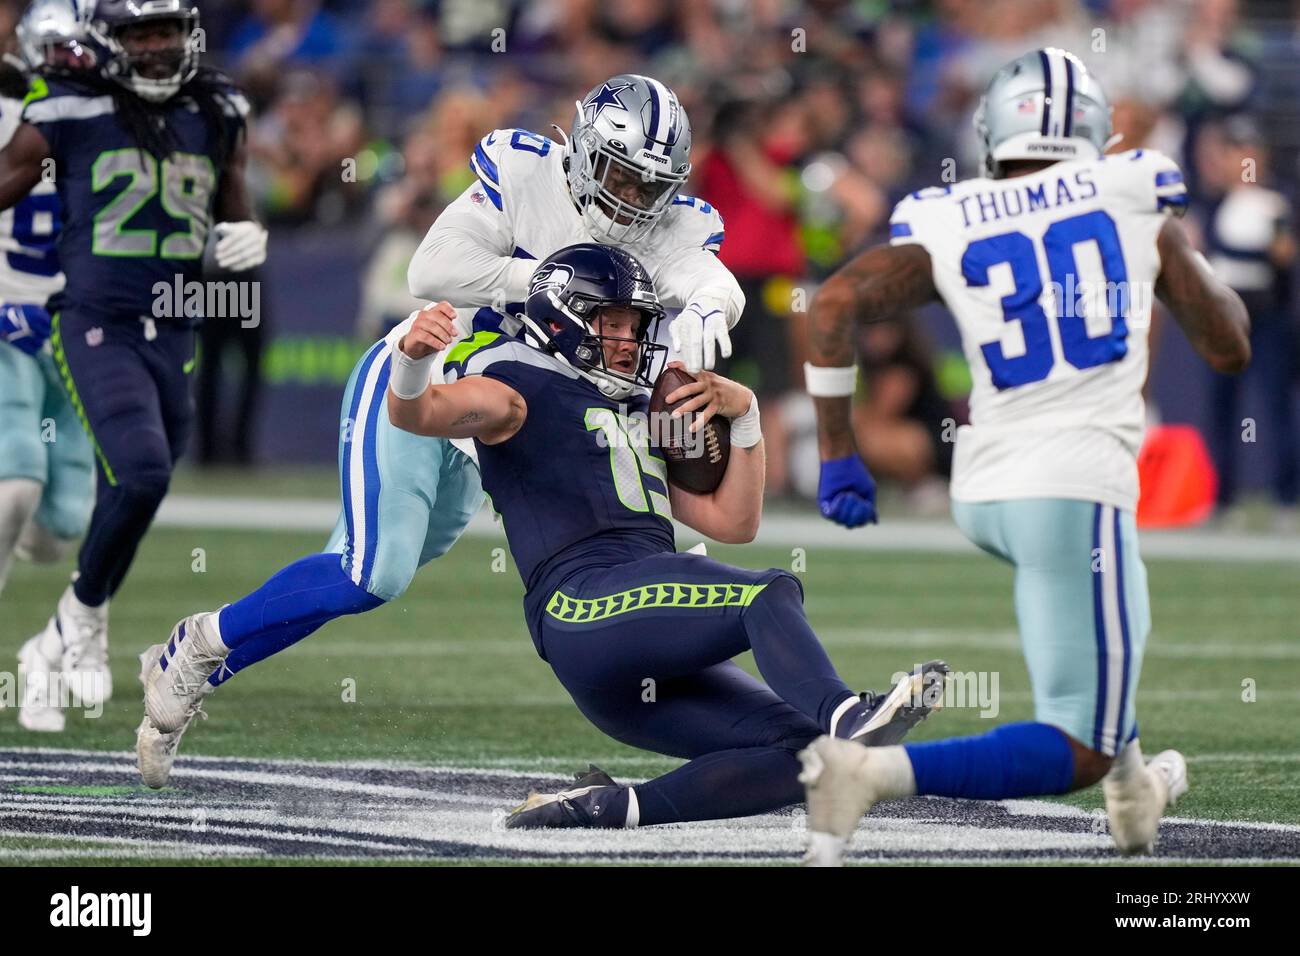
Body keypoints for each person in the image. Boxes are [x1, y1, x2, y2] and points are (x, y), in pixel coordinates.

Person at [134, 74, 746, 789]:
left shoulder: (672, 228)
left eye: (650, 186)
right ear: (582, 152)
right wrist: (551, 282)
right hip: (431, 372)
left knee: (355, 576)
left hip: (497, 424)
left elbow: (714, 282)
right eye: (619, 175)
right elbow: (433, 268)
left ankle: (200, 656)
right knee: (374, 571)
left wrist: (708, 311)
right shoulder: (525, 174)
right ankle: (203, 643)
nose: (631, 200)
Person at [800, 49, 1251, 865]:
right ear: (1092, 129)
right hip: (1072, 487)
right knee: (1078, 739)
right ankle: (868, 771)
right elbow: (1227, 347)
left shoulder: (953, 210)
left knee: (1119, 626)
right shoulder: (1131, 189)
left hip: (985, 486)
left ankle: (1134, 794)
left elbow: (832, 304)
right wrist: (1173, 249)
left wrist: (839, 456)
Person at [386, 243, 943, 828]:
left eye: (636, 325)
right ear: (561, 318)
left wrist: (747, 416)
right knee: (770, 592)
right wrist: (411, 359)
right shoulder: (516, 389)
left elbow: (734, 524)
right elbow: (418, 412)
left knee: (810, 753)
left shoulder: (633, 405)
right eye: (612, 324)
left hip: (639, 635)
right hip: (582, 606)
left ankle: (606, 808)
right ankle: (849, 713)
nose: (629, 341)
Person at [0, 0, 265, 727]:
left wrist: (247, 238)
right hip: (93, 320)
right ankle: (83, 620)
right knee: (140, 471)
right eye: (139, 33)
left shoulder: (217, 107)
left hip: (174, 325)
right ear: (108, 42)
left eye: (167, 32)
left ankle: (57, 634)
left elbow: (233, 208)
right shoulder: (70, 109)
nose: (155, 47)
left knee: (139, 490)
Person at [0, 0, 95, 732]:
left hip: (76, 329)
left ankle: (76, 631)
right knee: (17, 481)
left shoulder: (108, 121)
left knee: (63, 521)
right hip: (6, 318)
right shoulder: (15, 112)